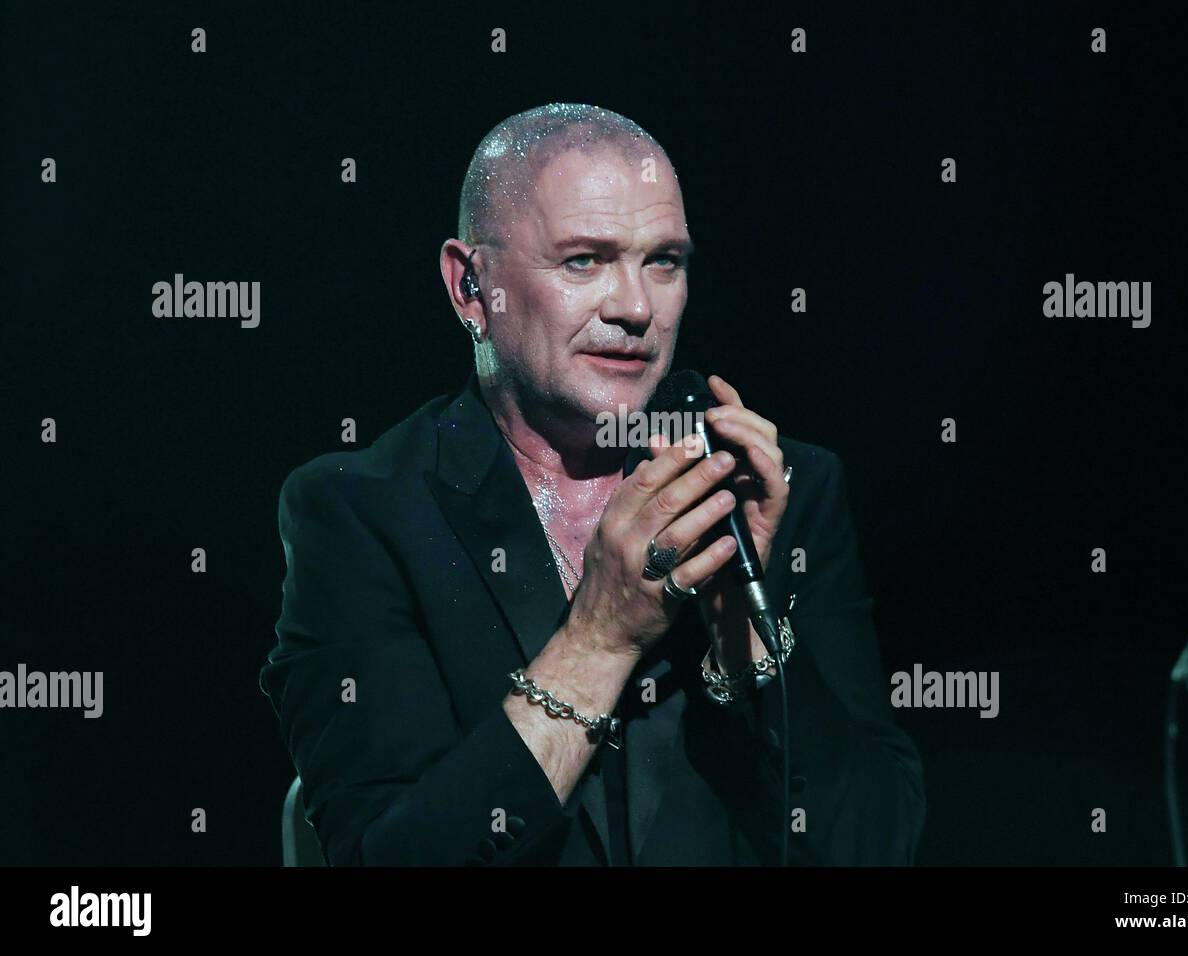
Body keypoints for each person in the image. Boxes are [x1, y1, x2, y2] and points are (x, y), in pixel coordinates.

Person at [260, 103, 925, 865]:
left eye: (664, 261)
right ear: (470, 287)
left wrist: (746, 635)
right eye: (584, 261)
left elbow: (874, 846)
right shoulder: (359, 512)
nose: (636, 308)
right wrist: (600, 640)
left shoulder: (774, 489)